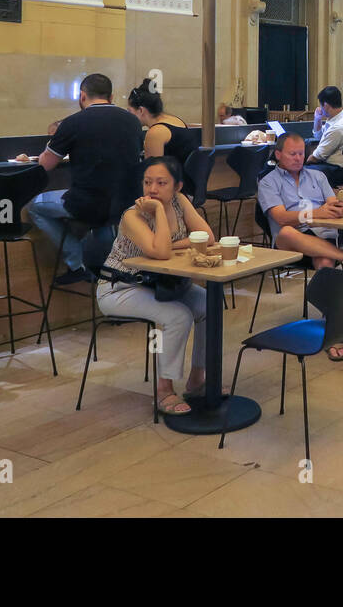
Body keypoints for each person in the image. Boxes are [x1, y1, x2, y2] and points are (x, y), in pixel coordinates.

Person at [95, 157, 214, 416]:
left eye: (161, 183)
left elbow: (207, 237)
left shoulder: (181, 202)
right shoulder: (132, 215)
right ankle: (164, 391)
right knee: (178, 316)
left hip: (162, 284)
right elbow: (160, 253)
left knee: (209, 304)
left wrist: (172, 243)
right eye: (148, 182)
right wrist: (159, 211)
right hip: (120, 288)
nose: (152, 190)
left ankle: (197, 380)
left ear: (177, 187)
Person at [257, 133, 343, 359]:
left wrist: (339, 208)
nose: (298, 158)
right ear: (278, 155)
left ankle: (333, 335)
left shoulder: (318, 176)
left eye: (301, 154)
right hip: (290, 244)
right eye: (292, 154)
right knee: (287, 231)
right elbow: (281, 218)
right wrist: (315, 214)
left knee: (325, 263)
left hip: (322, 239)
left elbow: (331, 203)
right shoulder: (268, 182)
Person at [21, 73, 144, 284]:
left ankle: (77, 264)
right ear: (111, 96)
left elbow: (45, 165)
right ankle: (109, 270)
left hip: (86, 203)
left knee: (34, 207)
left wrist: (31, 157)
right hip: (124, 203)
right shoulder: (133, 121)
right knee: (104, 221)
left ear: (82, 96)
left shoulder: (72, 123)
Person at [127, 79, 195, 182]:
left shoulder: (156, 132)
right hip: (186, 183)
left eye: (130, 111)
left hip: (174, 189)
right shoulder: (175, 120)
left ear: (141, 110)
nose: (128, 116)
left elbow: (152, 174)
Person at [305, 85, 343, 187]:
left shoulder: (337, 128)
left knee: (301, 173)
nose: (320, 108)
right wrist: (317, 119)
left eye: (320, 105)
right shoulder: (340, 120)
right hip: (339, 169)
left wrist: (299, 164)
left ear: (326, 105)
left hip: (338, 171)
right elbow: (319, 136)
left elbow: (315, 158)